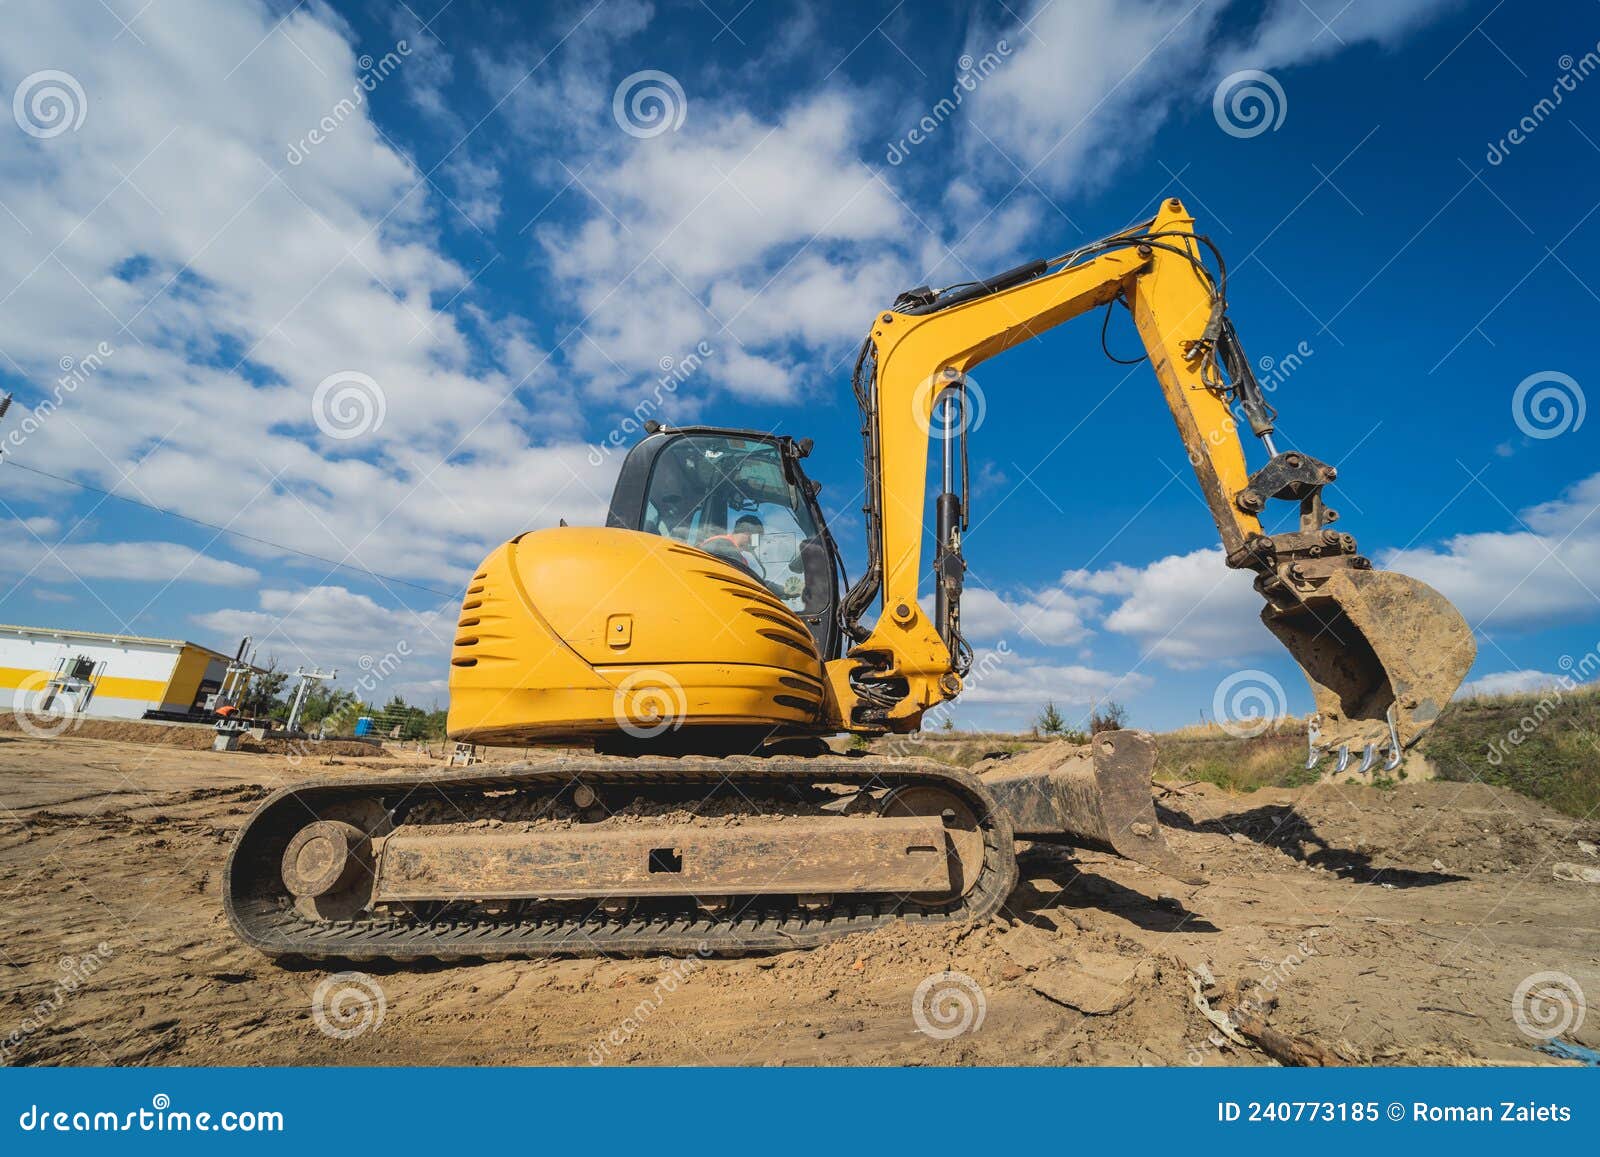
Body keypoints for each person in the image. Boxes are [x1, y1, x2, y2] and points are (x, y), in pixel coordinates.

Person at [698, 514, 764, 577]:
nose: (757, 543)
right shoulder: (720, 544)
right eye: (758, 538)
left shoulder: (738, 556)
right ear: (750, 533)